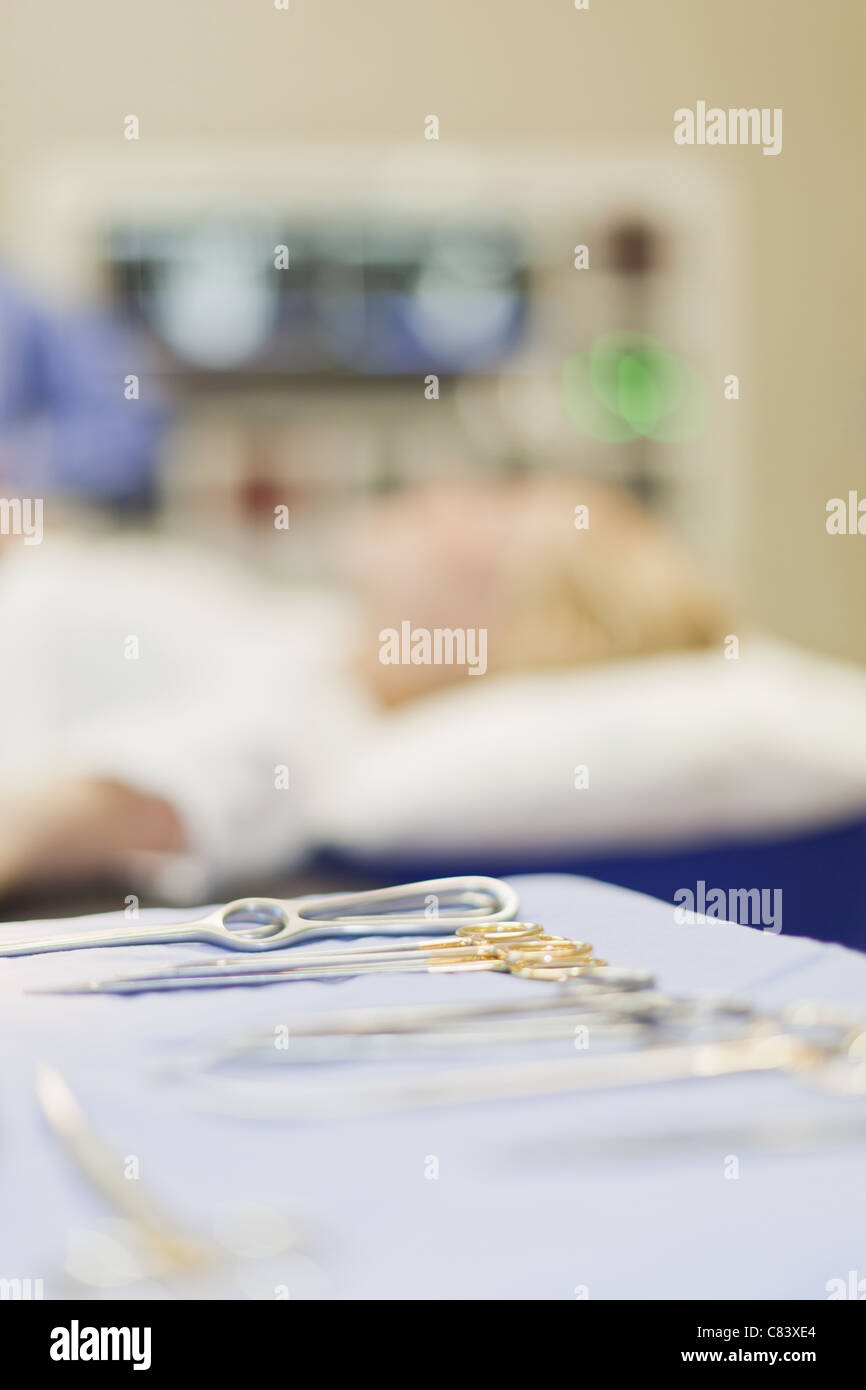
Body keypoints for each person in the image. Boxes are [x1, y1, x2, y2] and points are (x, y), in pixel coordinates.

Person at [0, 475, 728, 902]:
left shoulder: (302, 731)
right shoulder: (299, 630)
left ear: (514, 624)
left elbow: (54, 821)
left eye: (498, 512)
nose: (448, 488)